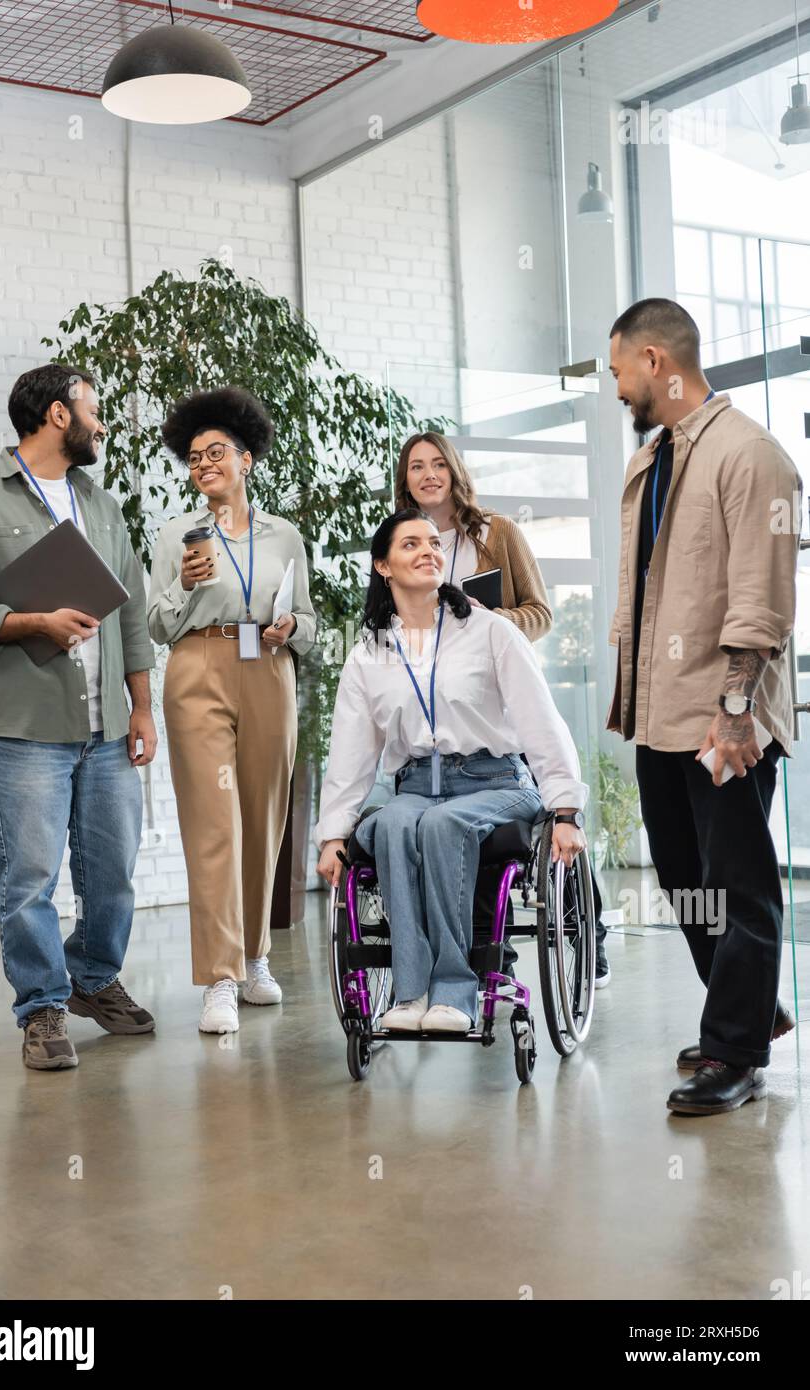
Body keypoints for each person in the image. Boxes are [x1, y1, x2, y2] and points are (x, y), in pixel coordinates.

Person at [607, 297, 800, 1116]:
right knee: (686, 884)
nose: (617, 389)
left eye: (619, 372)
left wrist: (732, 712)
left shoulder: (749, 456)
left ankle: (732, 1052)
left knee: (737, 884)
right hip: (660, 714)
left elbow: (758, 599)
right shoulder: (651, 462)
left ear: (656, 362)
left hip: (723, 719)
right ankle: (749, 1009)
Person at [0, 364, 157, 1071]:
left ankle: (92, 980)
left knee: (113, 870)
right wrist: (29, 620)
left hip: (104, 728)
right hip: (22, 726)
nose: (101, 423)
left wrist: (142, 707)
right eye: (94, 409)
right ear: (59, 415)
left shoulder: (101, 505)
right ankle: (40, 1006)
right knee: (28, 874)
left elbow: (127, 615)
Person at [314, 509, 587, 1033]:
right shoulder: (369, 652)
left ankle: (456, 991)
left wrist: (566, 808)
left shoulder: (490, 631)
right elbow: (350, 755)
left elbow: (539, 722)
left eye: (435, 543)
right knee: (391, 823)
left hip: (496, 782)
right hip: (417, 784)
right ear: (383, 566)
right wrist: (332, 835)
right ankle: (410, 992)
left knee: (442, 825)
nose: (428, 551)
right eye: (411, 544)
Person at [396, 429, 612, 986]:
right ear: (406, 480)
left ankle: (587, 929)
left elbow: (541, 612)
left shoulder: (497, 533)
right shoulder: (404, 542)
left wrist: (487, 621)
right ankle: (490, 953)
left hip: (505, 698)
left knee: (548, 804)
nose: (428, 475)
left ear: (455, 471)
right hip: (443, 708)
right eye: (416, 466)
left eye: (438, 464)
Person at [148, 387, 316, 1036]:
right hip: (198, 668)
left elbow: (309, 620)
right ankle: (218, 977)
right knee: (213, 823)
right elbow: (158, 625)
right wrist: (187, 586)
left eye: (216, 453)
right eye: (193, 458)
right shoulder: (175, 536)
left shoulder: (285, 537)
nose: (203, 464)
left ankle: (254, 958)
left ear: (246, 461)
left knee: (262, 816)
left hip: (267, 670)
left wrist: (289, 629)